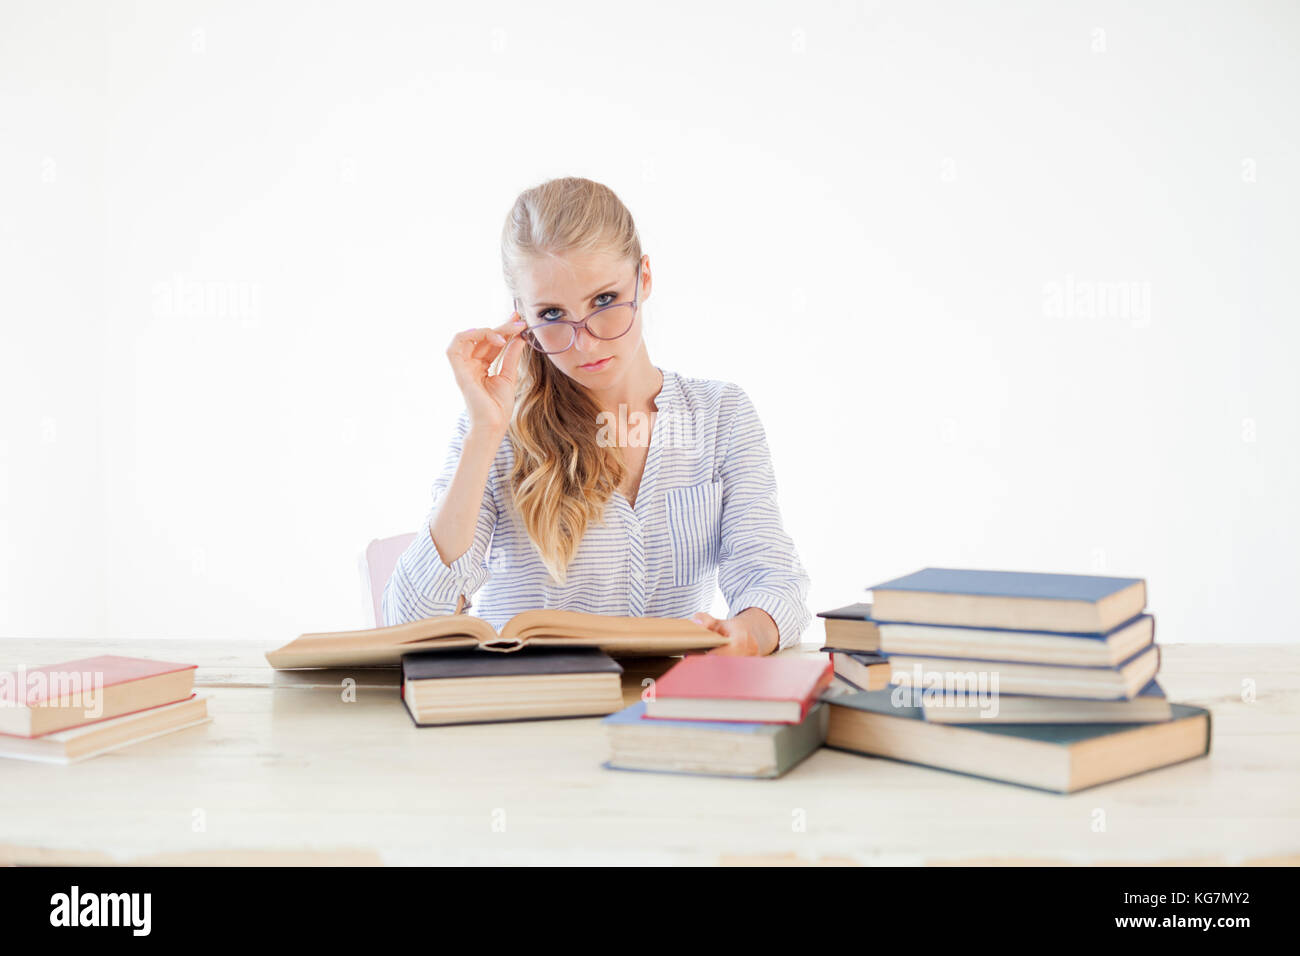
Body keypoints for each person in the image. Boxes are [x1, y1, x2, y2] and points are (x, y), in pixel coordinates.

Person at [383, 177, 811, 655]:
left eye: (604, 301)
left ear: (643, 279)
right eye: (551, 314)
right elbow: (410, 621)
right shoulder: (495, 430)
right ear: (520, 315)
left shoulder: (721, 417)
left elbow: (771, 578)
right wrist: (485, 433)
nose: (584, 342)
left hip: (658, 712)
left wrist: (747, 635)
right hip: (528, 711)